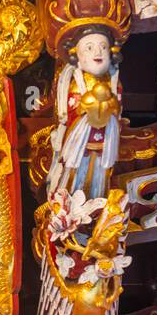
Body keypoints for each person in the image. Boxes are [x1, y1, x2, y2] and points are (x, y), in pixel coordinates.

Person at [46, 27, 122, 200]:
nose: (98, 51)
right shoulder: (76, 83)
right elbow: (70, 111)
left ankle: (97, 200)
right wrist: (88, 107)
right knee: (75, 173)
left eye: (103, 47)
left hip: (105, 142)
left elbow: (118, 111)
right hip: (80, 141)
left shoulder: (114, 83)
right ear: (76, 55)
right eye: (89, 47)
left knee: (100, 175)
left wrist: (109, 107)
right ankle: (69, 200)